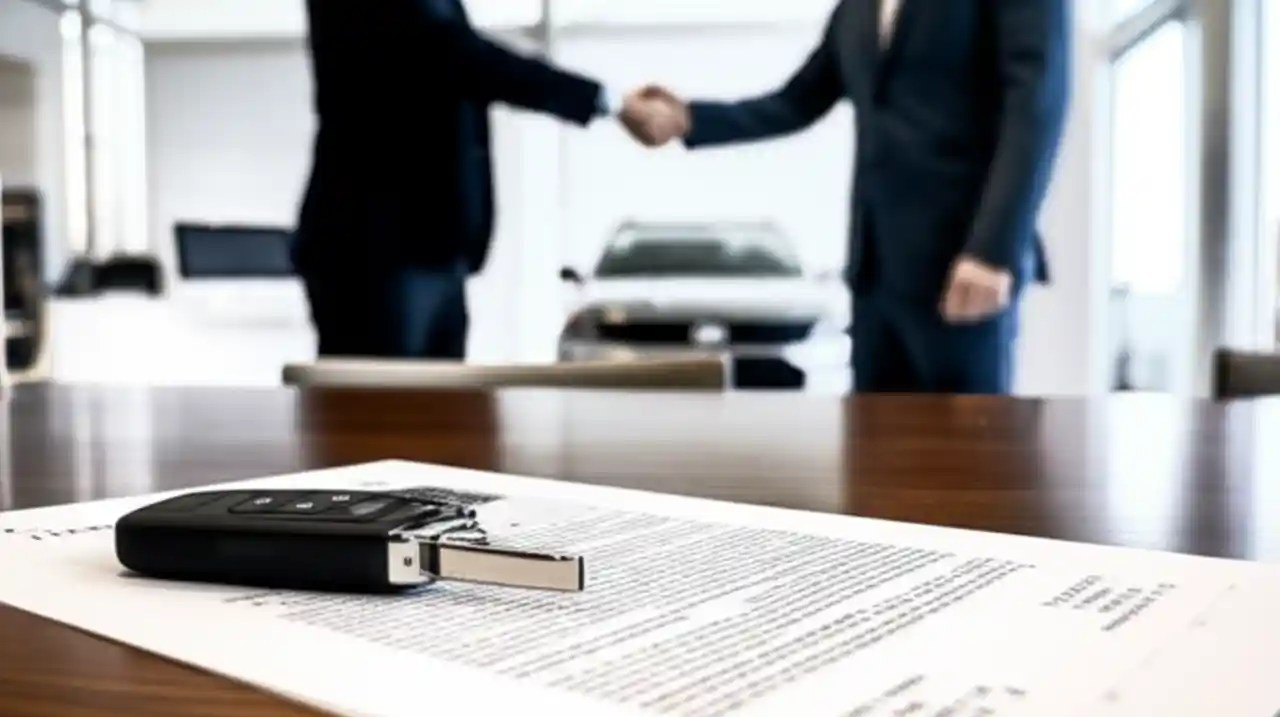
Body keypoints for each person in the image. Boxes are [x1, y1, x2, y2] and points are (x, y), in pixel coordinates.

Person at [632, 0, 1071, 394]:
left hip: (961, 267)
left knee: (970, 462)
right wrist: (688, 120)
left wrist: (994, 250)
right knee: (875, 456)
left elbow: (1037, 106)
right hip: (875, 273)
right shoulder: (856, 9)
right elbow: (796, 101)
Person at [293, 0, 672, 359]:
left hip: (432, 247)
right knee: (380, 414)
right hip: (377, 249)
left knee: (438, 415)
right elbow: (457, 56)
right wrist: (610, 101)